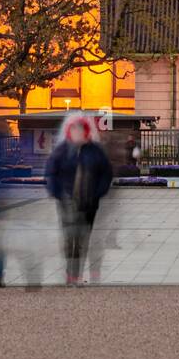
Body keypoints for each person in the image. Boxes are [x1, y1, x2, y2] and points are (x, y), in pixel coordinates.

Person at [44, 113, 114, 286]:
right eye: (74, 129)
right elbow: (51, 173)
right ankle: (70, 272)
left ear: (86, 131)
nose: (78, 133)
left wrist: (98, 192)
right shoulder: (62, 151)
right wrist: (57, 193)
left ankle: (78, 274)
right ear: (69, 131)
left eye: (81, 130)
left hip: (89, 203)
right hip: (67, 201)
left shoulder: (95, 150)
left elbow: (106, 174)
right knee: (69, 238)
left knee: (83, 239)